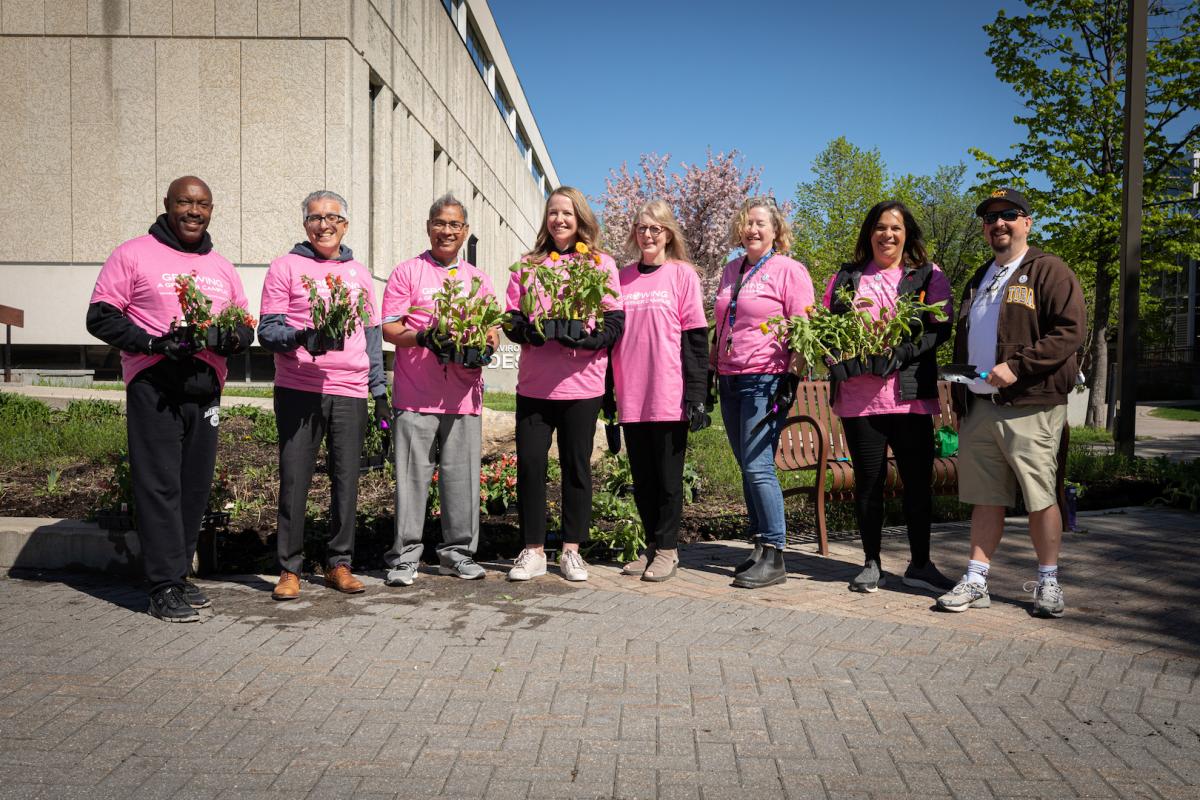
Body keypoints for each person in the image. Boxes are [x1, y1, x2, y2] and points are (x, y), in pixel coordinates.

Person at [86, 175, 252, 622]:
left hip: (206, 386)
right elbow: (100, 317)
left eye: (201, 204)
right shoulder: (133, 254)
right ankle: (162, 585)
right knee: (159, 485)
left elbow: (245, 325)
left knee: (194, 487)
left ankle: (178, 575)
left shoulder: (221, 266)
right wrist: (155, 344)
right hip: (154, 383)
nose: (192, 211)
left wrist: (233, 338)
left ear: (211, 210)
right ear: (167, 204)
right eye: (184, 202)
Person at [936, 187, 1086, 618]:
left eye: (1008, 214)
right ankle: (977, 579)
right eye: (989, 217)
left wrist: (1018, 367)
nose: (998, 223)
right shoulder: (980, 276)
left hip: (1031, 404)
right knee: (986, 498)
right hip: (981, 406)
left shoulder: (1049, 270)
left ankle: (1048, 581)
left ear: (1027, 222)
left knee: (1041, 496)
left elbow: (1070, 331)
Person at [257, 190, 388, 601]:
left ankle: (339, 564)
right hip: (300, 387)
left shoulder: (359, 274)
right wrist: (301, 335)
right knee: (294, 479)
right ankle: (289, 569)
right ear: (305, 225)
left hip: (349, 390)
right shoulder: (285, 267)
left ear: (345, 225)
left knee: (346, 479)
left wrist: (379, 390)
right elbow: (268, 330)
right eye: (315, 217)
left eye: (333, 217)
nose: (324, 224)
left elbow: (371, 337)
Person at [823, 201, 955, 594]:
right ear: (869, 233)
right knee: (869, 482)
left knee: (917, 481)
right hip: (859, 399)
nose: (888, 235)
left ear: (907, 234)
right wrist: (840, 355)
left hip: (908, 397)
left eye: (896, 228)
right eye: (880, 227)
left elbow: (939, 330)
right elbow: (829, 330)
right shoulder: (846, 277)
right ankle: (872, 563)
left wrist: (902, 353)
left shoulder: (927, 276)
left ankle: (920, 564)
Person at [503, 187, 624, 582]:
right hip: (535, 386)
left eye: (567, 214)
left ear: (581, 219)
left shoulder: (600, 264)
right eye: (553, 213)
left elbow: (614, 323)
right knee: (531, 466)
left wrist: (588, 340)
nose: (559, 220)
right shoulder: (528, 264)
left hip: (582, 385)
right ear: (546, 219)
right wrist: (527, 333)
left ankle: (572, 551)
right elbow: (510, 319)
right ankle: (533, 550)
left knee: (576, 468)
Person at [380, 194, 498, 586]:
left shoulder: (478, 280)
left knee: (461, 478)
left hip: (464, 395)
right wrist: (425, 337)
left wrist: (484, 347)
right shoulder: (407, 272)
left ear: (465, 232)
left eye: (455, 225)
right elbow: (391, 328)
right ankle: (405, 557)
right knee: (412, 478)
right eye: (440, 223)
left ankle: (457, 554)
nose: (447, 231)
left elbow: (493, 332)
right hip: (416, 394)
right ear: (429, 226)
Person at [713, 197, 814, 589]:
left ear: (775, 231)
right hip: (730, 377)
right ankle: (758, 544)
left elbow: (805, 330)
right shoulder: (730, 270)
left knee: (758, 466)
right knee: (746, 465)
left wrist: (792, 377)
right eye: (747, 224)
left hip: (766, 378)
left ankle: (775, 554)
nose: (752, 230)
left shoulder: (789, 270)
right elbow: (723, 321)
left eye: (760, 223)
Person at [610, 200, 710, 582]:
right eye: (642, 228)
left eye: (656, 228)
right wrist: (608, 396)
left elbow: (696, 339)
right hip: (631, 392)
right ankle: (652, 545)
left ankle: (668, 549)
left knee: (669, 479)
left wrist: (697, 394)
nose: (648, 235)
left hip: (669, 391)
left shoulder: (683, 275)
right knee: (643, 477)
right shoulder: (620, 278)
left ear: (668, 234)